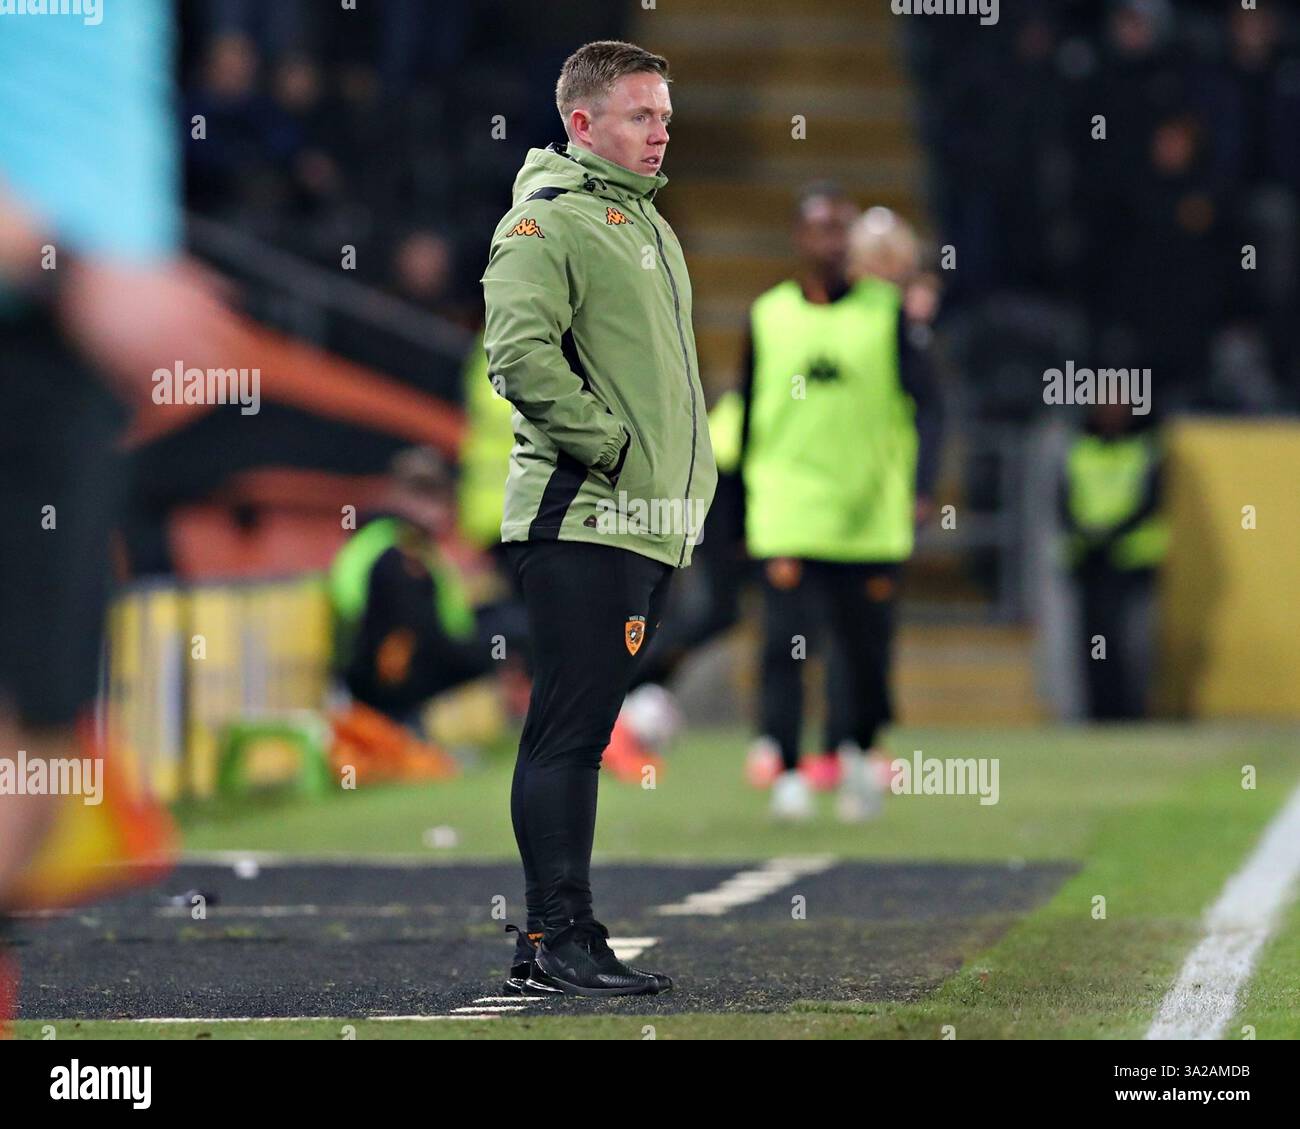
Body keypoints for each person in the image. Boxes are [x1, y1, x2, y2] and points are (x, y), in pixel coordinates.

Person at [481, 40, 716, 996]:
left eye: (663, 114)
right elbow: (517, 353)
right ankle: (558, 938)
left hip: (637, 521)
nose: (659, 131)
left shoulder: (645, 226)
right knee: (570, 736)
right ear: (582, 123)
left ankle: (560, 936)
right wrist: (612, 449)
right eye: (638, 115)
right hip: (586, 516)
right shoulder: (548, 223)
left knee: (575, 730)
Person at [727, 185, 944, 822]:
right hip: (790, 510)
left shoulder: (889, 312)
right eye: (818, 230)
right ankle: (790, 769)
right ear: (799, 239)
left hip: (868, 515)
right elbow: (747, 411)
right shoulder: (768, 314)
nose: (829, 243)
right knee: (785, 649)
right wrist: (742, 508)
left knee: (865, 653)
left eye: (839, 231)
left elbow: (931, 404)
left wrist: (923, 485)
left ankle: (854, 752)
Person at [1059, 403, 1167, 719]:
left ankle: (1131, 714)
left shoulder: (1144, 451)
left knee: (1131, 645)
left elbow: (1150, 503)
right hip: (1090, 563)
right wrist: (1089, 537)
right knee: (1094, 643)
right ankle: (1098, 714)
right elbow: (1063, 504)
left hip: (1131, 564)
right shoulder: (1079, 450)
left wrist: (1108, 534)